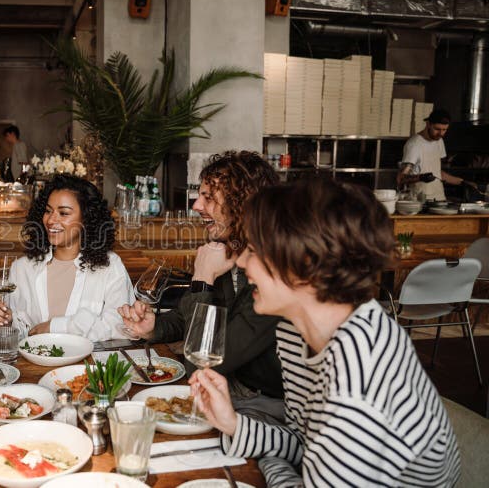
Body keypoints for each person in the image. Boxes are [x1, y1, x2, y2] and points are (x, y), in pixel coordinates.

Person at [191, 178, 460, 487]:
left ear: (304, 263)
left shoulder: (356, 381)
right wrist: (234, 424)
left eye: (253, 250)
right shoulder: (296, 332)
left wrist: (273, 464)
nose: (240, 261)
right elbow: (303, 443)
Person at [117, 151, 283, 420]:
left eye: (209, 197)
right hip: (228, 386)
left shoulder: (272, 275)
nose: (196, 206)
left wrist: (203, 280)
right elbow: (187, 317)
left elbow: (200, 362)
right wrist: (154, 327)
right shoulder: (227, 249)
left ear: (243, 203)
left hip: (260, 404)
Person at [0, 174, 134, 340]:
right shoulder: (22, 268)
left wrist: (55, 326)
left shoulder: (110, 266)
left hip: (88, 365)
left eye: (64, 213)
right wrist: (6, 323)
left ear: (86, 218)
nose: (51, 220)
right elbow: (24, 333)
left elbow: (121, 327)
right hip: (35, 365)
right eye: (48, 211)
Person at [397, 108, 476, 201]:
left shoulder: (439, 141)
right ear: (428, 124)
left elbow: (439, 174)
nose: (441, 133)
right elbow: (401, 179)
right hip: (420, 200)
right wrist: (420, 177)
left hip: (439, 199)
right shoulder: (414, 145)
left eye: (444, 130)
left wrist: (462, 182)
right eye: (437, 129)